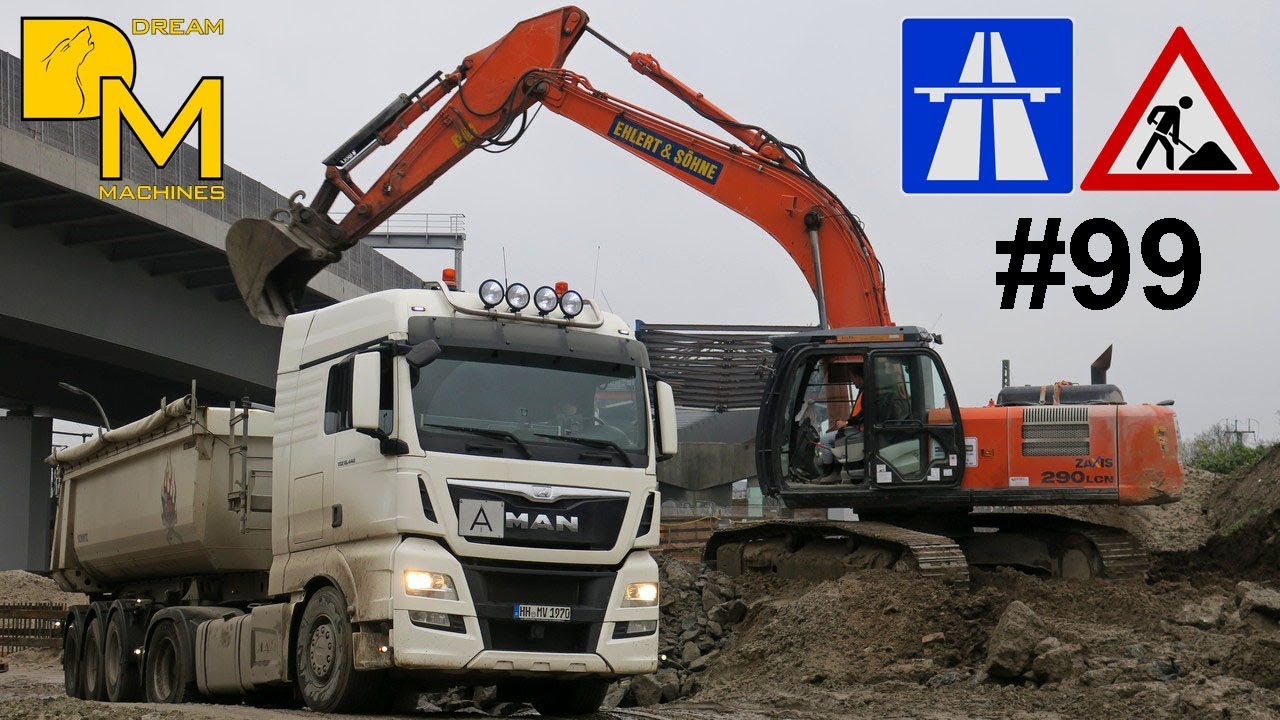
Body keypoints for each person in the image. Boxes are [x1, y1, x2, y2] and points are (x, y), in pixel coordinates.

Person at [1137, 96, 1192, 171]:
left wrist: (1175, 139)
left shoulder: (1176, 110)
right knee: (1168, 149)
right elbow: (1157, 108)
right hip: (1160, 132)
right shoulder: (1174, 109)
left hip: (1161, 133)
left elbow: (1175, 126)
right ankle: (1170, 169)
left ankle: (1139, 164)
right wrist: (1150, 118)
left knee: (1151, 147)